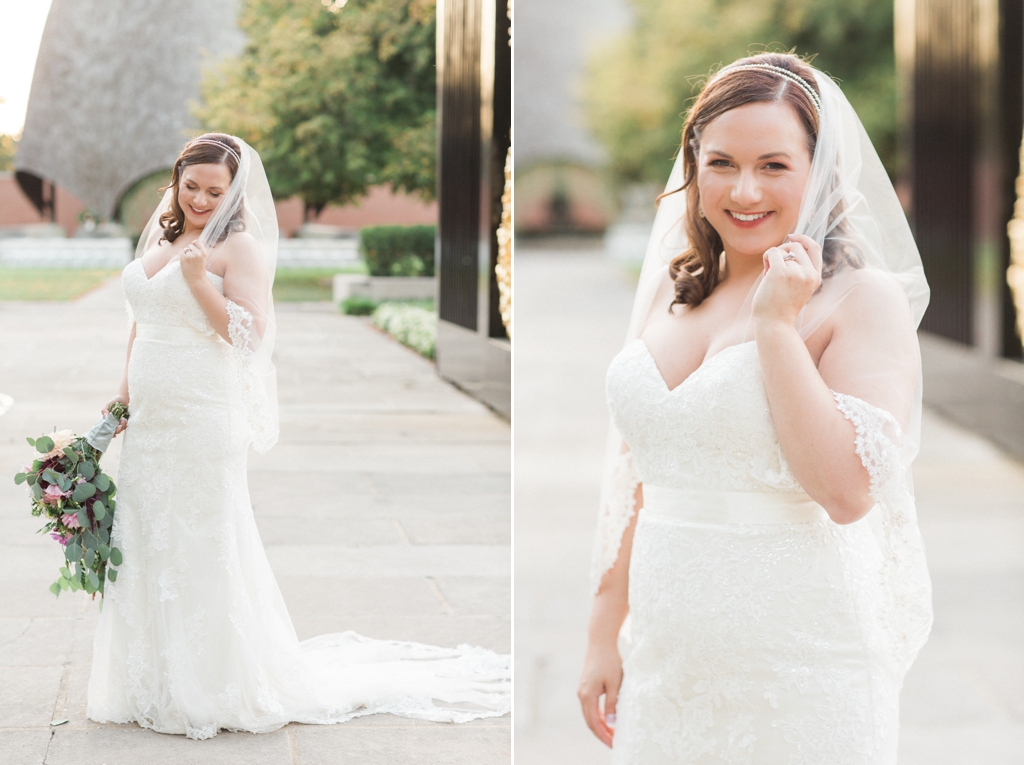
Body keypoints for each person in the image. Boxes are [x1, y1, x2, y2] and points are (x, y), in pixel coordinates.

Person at [88, 133, 509, 740]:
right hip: (151, 416)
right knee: (146, 532)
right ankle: (148, 678)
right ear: (175, 180)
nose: (202, 200)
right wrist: (122, 397)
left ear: (234, 192)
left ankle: (211, 684)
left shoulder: (240, 247)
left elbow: (249, 337)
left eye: (216, 190)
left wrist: (202, 282)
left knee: (201, 538)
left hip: (204, 416)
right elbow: (140, 322)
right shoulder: (160, 232)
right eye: (192, 187)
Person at [577, 53, 933, 764]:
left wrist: (776, 328)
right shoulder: (674, 291)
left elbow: (846, 489)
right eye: (721, 163)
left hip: (802, 660)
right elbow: (633, 475)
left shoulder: (862, 299)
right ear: (693, 167)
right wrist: (601, 631)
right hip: (666, 657)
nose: (744, 190)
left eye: (774, 165)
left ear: (820, 171)